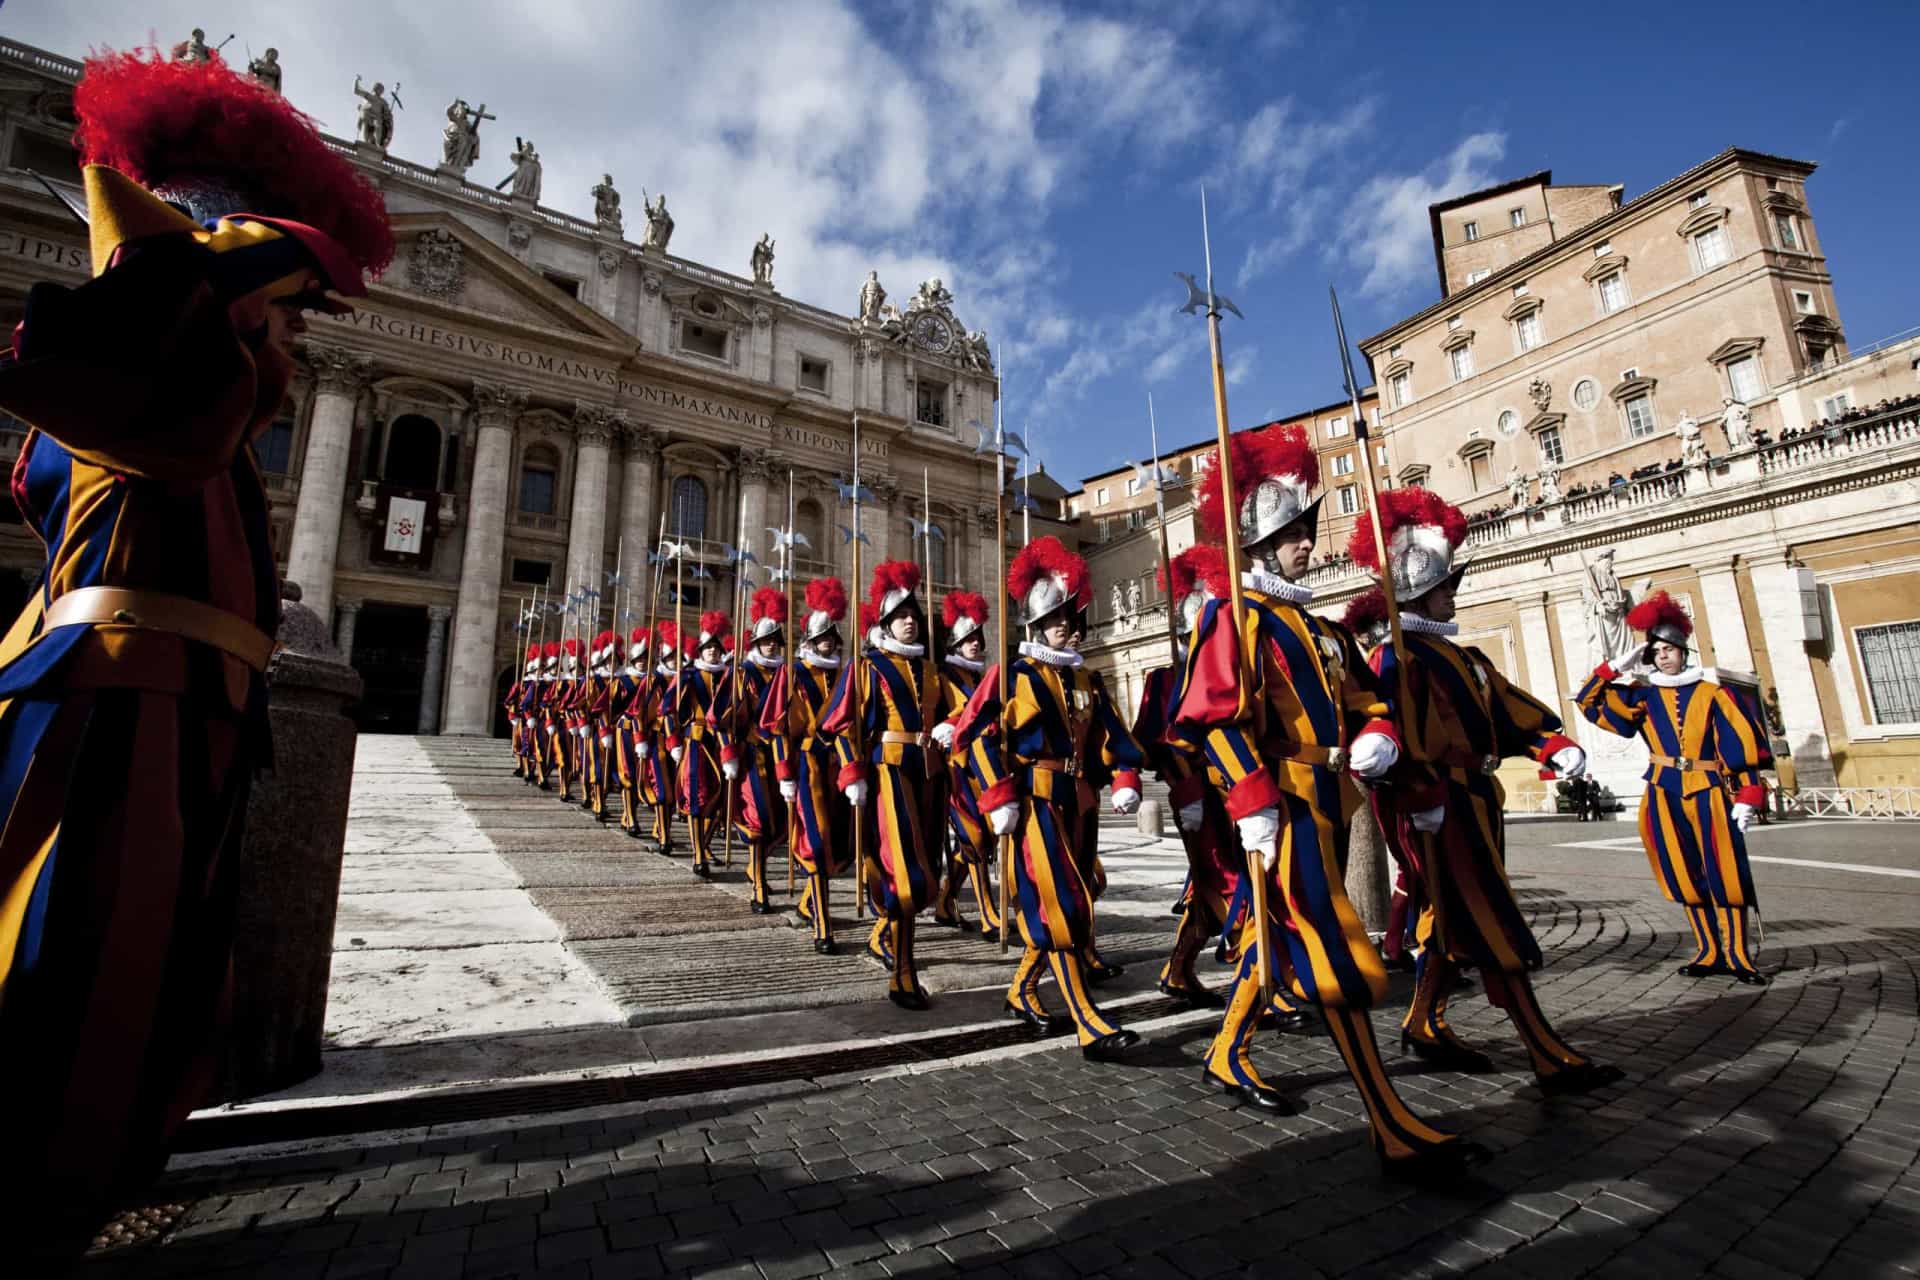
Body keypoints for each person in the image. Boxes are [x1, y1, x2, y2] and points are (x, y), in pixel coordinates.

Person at [0, 46, 391, 1253]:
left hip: (189, 714)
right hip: (112, 712)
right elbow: (164, 345)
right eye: (274, 317)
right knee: (75, 961)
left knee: (152, 974)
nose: (286, 337)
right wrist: (232, 248)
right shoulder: (151, 361)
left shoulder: (203, 384)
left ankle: (94, 1181)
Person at [1172, 426, 1481, 1180]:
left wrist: (1377, 735)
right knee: (1334, 950)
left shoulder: (1314, 627)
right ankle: (1390, 1120)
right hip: (1278, 807)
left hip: (1327, 801)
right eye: (1292, 535)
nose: (1308, 544)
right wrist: (1250, 798)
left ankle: (1224, 1050)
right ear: (1261, 542)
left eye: (1307, 532)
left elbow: (1365, 696)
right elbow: (1210, 715)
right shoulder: (1233, 616)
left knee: (1284, 935)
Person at [1345, 486, 1623, 1100]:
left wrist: (1548, 745)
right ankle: (1544, 1051)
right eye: (1445, 585)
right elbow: (1386, 729)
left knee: (1450, 918)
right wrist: (1412, 783)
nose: (1454, 592)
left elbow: (1505, 711)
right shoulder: (1396, 658)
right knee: (1490, 918)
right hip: (1436, 806)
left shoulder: (1462, 656)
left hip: (1476, 799)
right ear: (1419, 592)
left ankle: (1422, 1021)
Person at [961, 536, 1146, 1057]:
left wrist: (1126, 775)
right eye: (1055, 617)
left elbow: (1113, 732)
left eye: (1069, 615)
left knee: (1081, 892)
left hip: (1080, 800)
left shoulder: (1086, 677)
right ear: (1036, 624)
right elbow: (975, 736)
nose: (1064, 624)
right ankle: (1088, 1021)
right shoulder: (1013, 675)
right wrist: (999, 795)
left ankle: (1022, 988)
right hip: (1036, 803)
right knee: (1062, 906)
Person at [1576, 592, 1771, 984]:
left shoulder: (1714, 694)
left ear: (1684, 652)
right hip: (1663, 791)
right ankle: (1709, 950)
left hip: (1709, 789)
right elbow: (1588, 700)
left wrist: (1748, 795)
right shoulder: (1643, 696)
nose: (1664, 656)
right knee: (1682, 871)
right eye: (1658, 651)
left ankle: (1737, 955)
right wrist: (1614, 667)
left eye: (1670, 649)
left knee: (1724, 870)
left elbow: (1739, 746)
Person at [822, 562, 961, 1009]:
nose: (909, 621)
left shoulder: (933, 670)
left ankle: (884, 935)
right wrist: (852, 773)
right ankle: (903, 973)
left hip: (930, 775)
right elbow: (842, 725)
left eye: (914, 615)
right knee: (906, 876)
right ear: (883, 623)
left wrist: (951, 725)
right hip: (889, 773)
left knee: (925, 875)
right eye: (900, 615)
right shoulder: (868, 668)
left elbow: (969, 707)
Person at [1135, 545, 1235, 1009]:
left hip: (1240, 793)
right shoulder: (1163, 680)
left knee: (1217, 887)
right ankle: (1267, 987)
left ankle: (1179, 967)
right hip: (1200, 797)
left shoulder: (1232, 667)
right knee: (1227, 884)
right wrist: (1188, 790)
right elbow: (1157, 741)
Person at [772, 579, 852, 953]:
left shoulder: (844, 675)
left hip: (838, 764)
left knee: (839, 841)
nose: (829, 643)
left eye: (832, 637)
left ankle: (809, 901)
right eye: (823, 637)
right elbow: (775, 727)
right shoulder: (793, 673)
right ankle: (822, 925)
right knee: (817, 840)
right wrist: (784, 772)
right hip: (808, 765)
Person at [934, 591, 999, 937]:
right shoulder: (944, 677)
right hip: (955, 768)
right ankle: (989, 912)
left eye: (977, 638)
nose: (974, 644)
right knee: (974, 837)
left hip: (984, 768)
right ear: (956, 642)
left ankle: (946, 900)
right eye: (968, 639)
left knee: (982, 838)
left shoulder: (982, 676)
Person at [665, 613, 737, 878]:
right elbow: (668, 709)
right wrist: (673, 741)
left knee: (722, 799)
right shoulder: (688, 676)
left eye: (717, 650)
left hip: (722, 742)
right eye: (709, 649)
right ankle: (698, 854)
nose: (714, 654)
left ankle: (705, 844)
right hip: (696, 741)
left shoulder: (729, 677)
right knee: (698, 797)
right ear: (701, 652)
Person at [733, 588, 789, 914]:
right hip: (753, 754)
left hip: (781, 755)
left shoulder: (787, 673)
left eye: (776, 641)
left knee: (780, 821)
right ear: (755, 643)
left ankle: (757, 867)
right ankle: (758, 886)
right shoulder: (744, 673)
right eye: (766, 641)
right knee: (758, 819)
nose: (771, 645)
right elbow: (730, 717)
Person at [612, 626, 650, 836]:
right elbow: (609, 707)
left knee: (643, 776)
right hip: (626, 730)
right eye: (640, 659)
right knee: (629, 774)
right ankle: (629, 815)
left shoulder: (653, 681)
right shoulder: (623, 682)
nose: (643, 662)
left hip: (648, 732)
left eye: (646, 658)